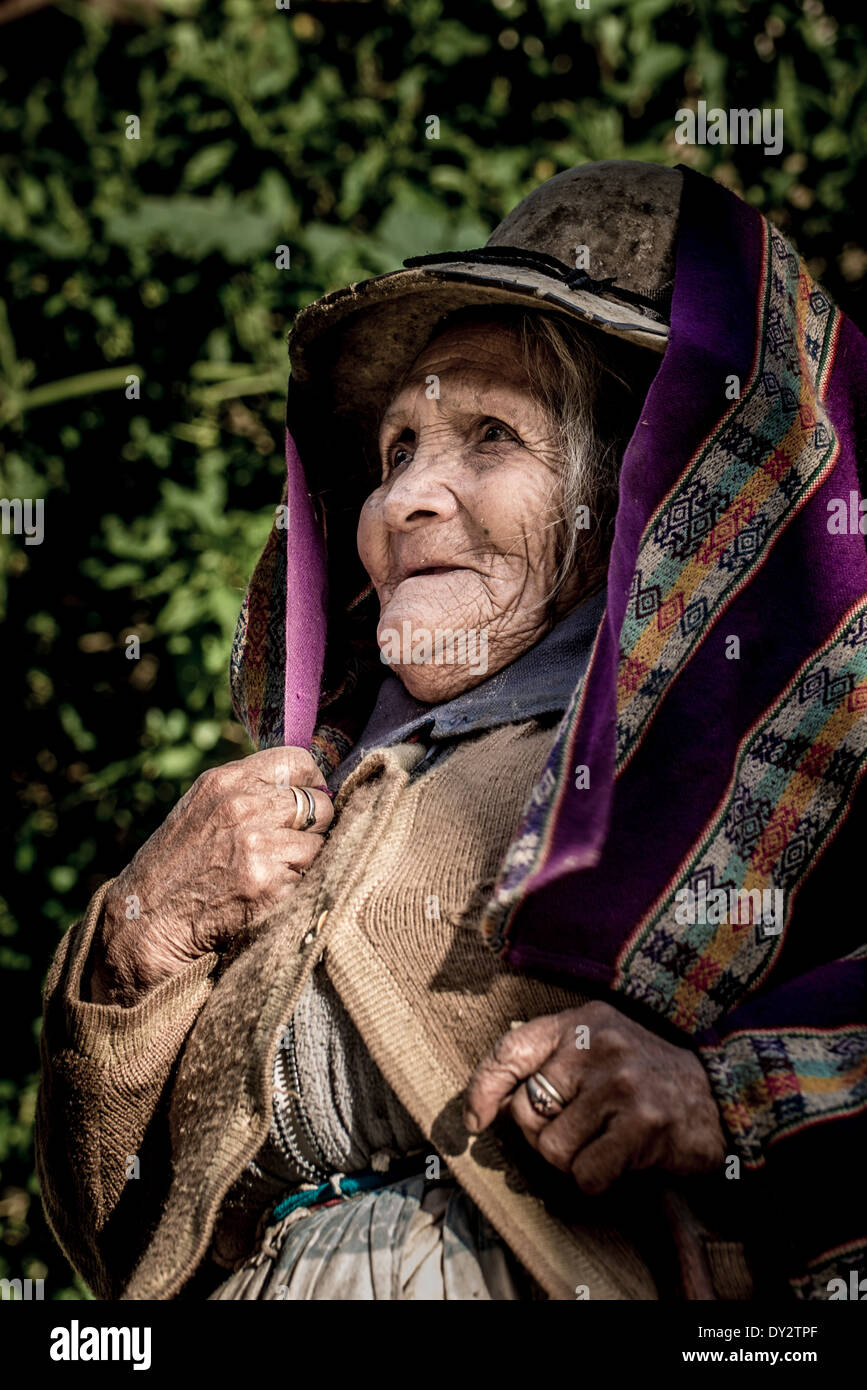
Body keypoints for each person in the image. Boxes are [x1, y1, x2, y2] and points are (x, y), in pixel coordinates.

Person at [36, 161, 867, 1302]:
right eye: (396, 452)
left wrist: (723, 1097)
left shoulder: (757, 763)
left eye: (491, 436)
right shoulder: (295, 805)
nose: (407, 499)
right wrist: (143, 933)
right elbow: (114, 1232)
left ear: (630, 493)